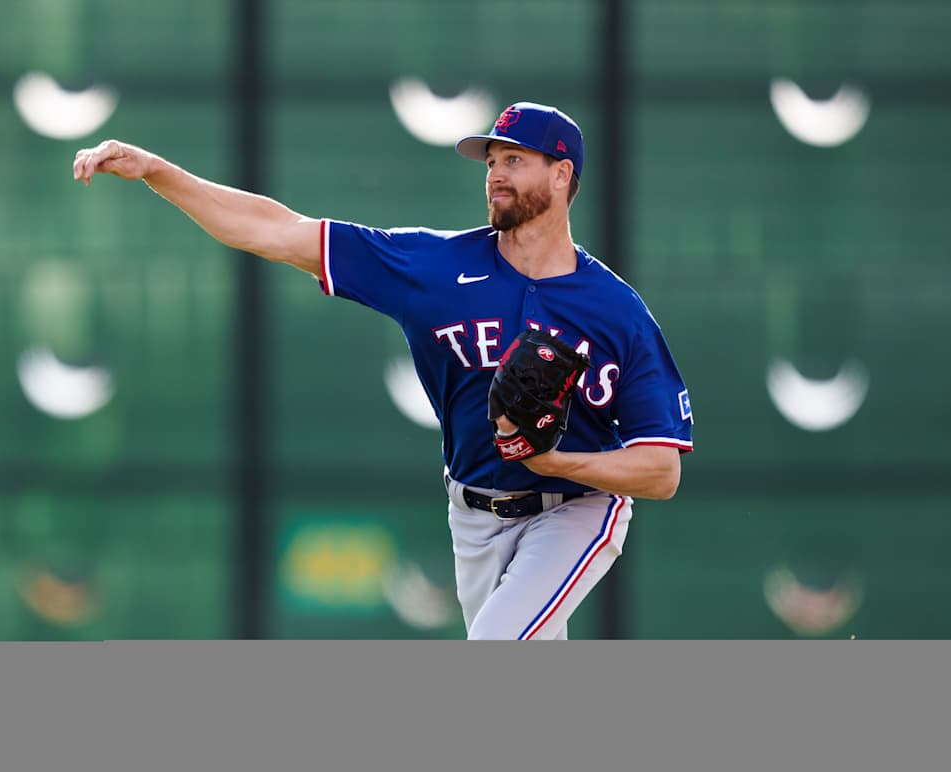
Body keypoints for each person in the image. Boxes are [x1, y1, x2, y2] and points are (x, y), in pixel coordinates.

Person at [72, 102, 693, 639]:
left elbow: (661, 470)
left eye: (514, 159)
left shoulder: (616, 311)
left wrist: (554, 463)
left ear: (561, 174)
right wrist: (157, 171)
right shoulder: (431, 267)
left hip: (576, 510)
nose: (496, 174)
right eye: (490, 161)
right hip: (473, 515)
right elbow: (276, 231)